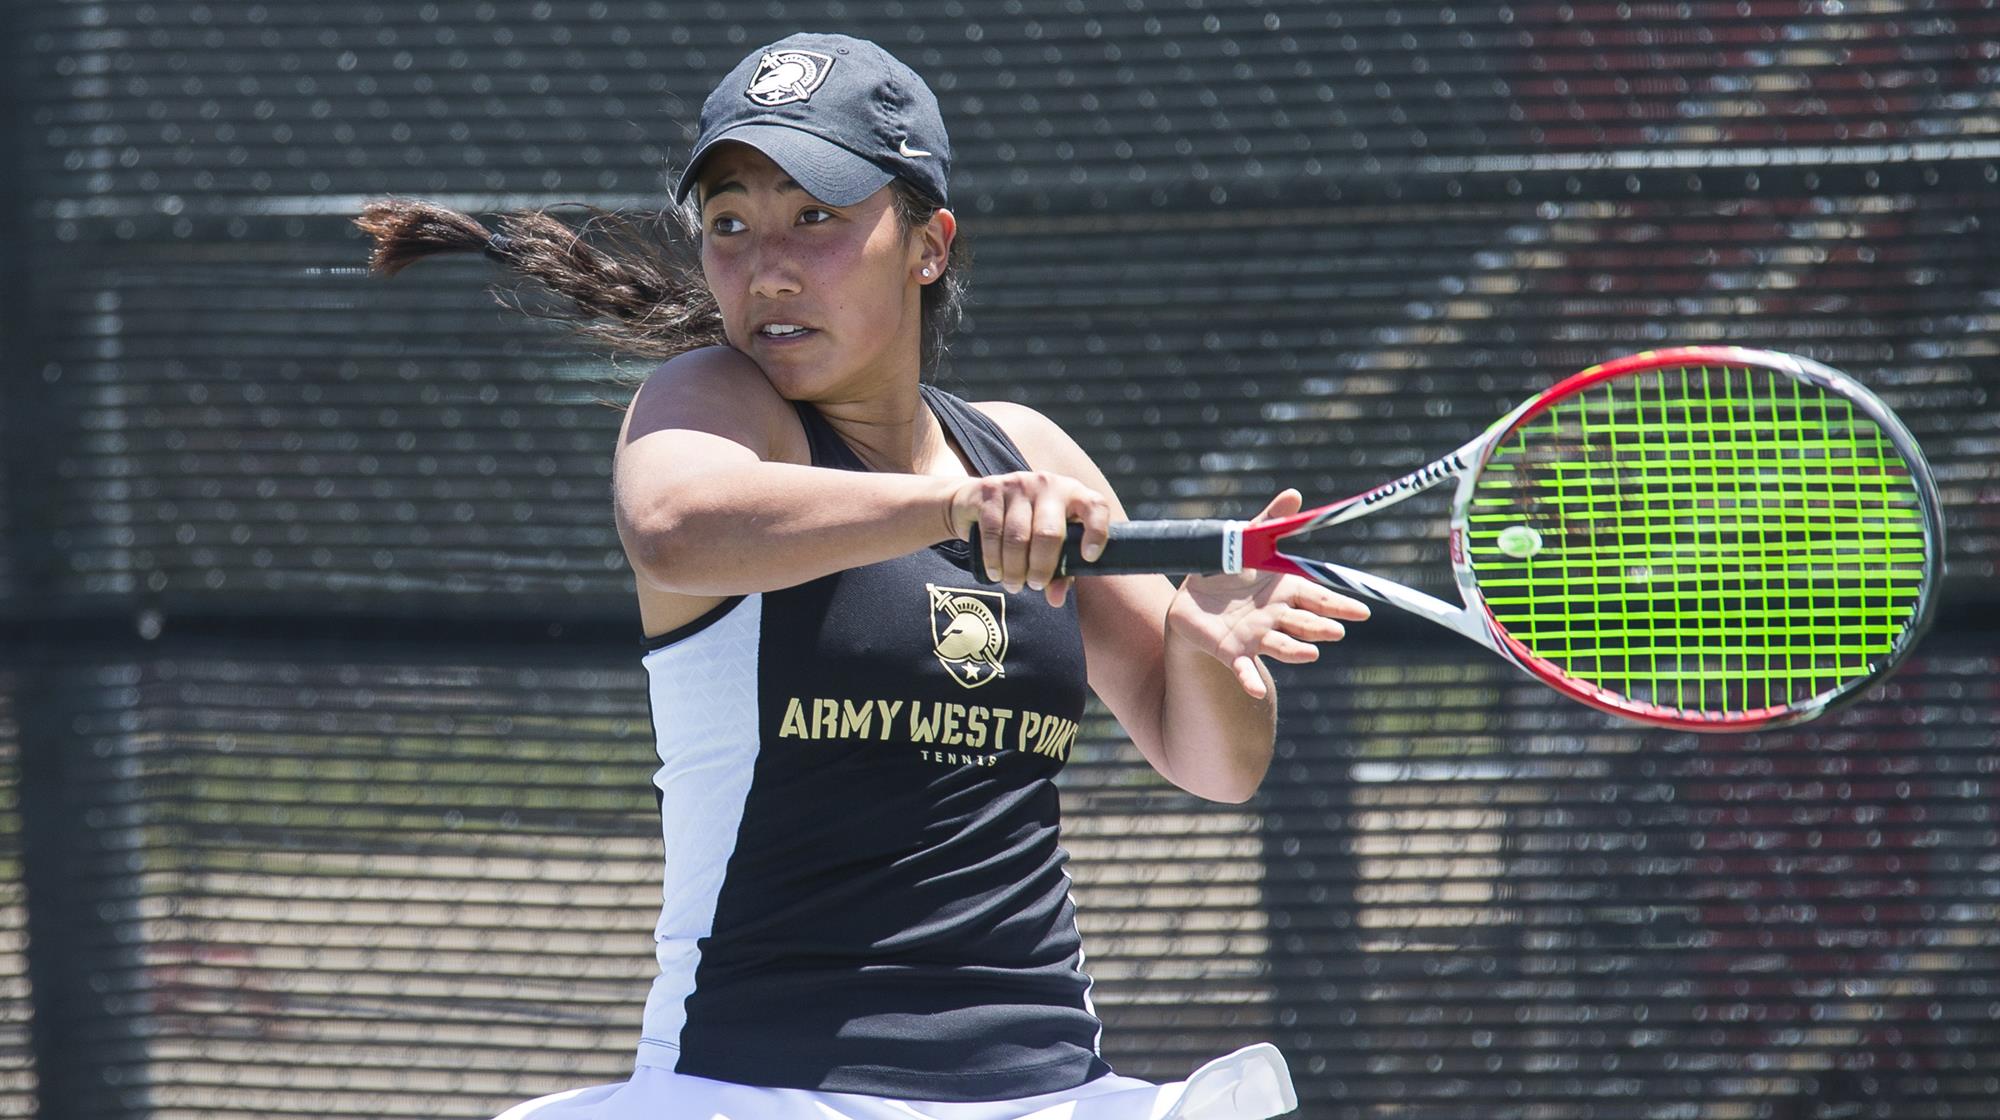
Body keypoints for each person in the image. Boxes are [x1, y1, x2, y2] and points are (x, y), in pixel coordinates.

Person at [356, 30, 1368, 1120]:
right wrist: (950, 509)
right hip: (755, 1087)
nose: (766, 265)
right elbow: (673, 525)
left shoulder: (1025, 448)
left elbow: (1214, 763)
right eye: (731, 223)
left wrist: (1203, 648)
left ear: (927, 244)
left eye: (816, 217)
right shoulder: (714, 403)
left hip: (1053, 1090)